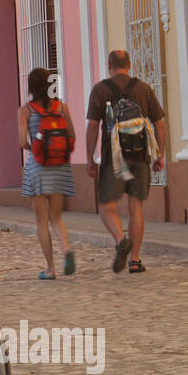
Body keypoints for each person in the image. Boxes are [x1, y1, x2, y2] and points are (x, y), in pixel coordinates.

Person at [85, 50, 165, 274]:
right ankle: (135, 260)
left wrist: (90, 158)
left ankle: (121, 240)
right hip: (140, 157)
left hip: (113, 158)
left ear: (109, 64)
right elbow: (159, 124)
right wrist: (160, 154)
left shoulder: (100, 90)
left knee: (106, 206)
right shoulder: (143, 88)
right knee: (136, 207)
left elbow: (92, 126)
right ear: (129, 64)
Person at [18, 68, 77, 279]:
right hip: (60, 167)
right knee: (57, 217)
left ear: (31, 87)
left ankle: (51, 269)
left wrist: (35, 146)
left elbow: (22, 141)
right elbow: (72, 136)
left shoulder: (26, 110)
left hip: (37, 168)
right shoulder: (61, 107)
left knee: (41, 220)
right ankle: (68, 249)